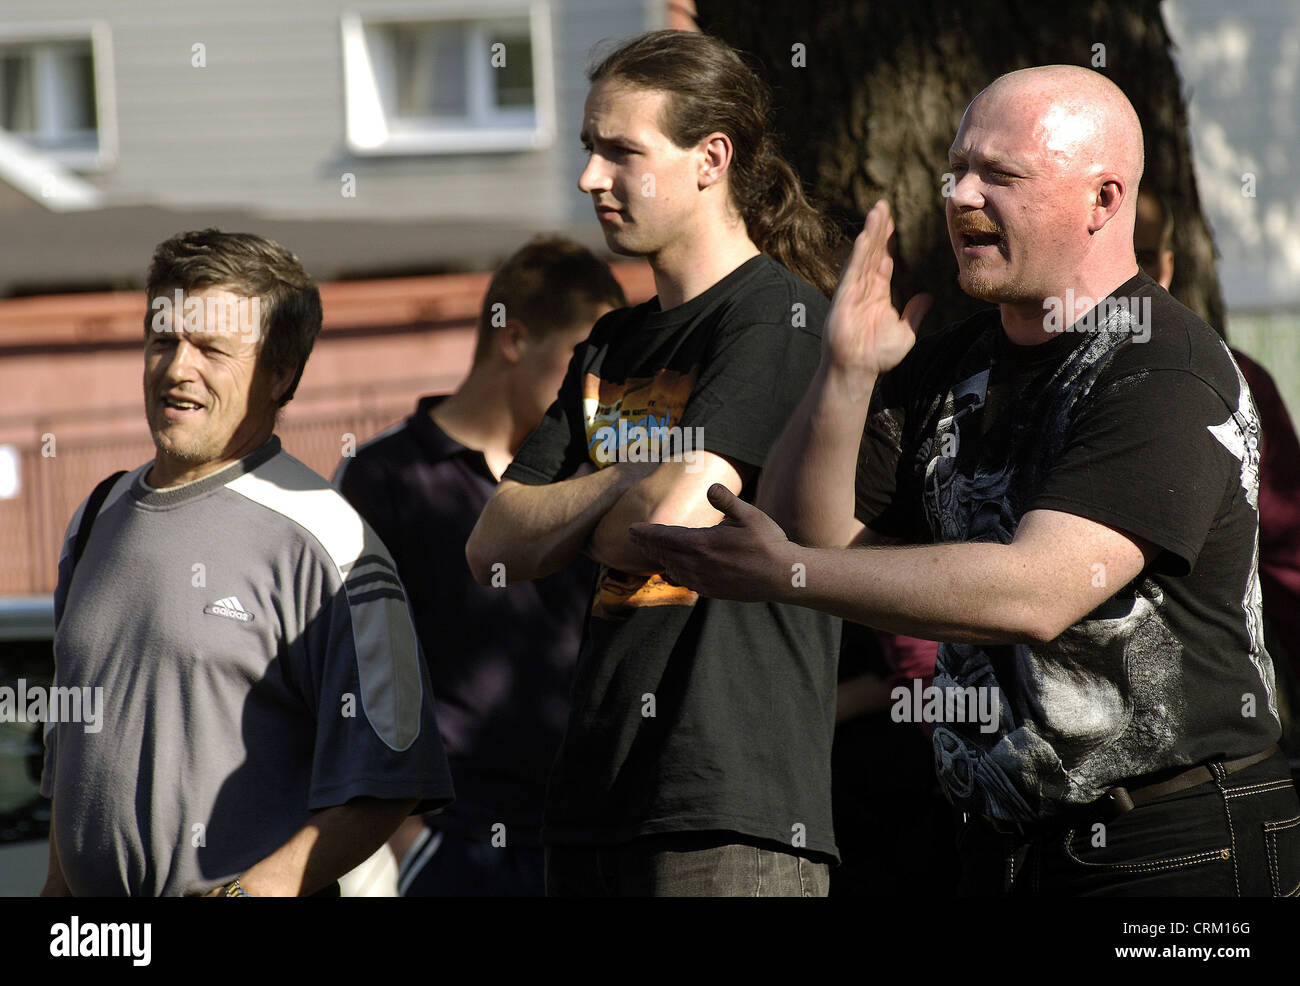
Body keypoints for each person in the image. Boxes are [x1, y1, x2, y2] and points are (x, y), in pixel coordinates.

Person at [631, 65, 1300, 896]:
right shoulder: (952, 363)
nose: (960, 196)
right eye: (957, 170)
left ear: (1104, 200)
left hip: (1173, 845)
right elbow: (826, 536)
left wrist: (786, 578)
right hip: (1001, 844)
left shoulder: (1163, 367)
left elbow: (1039, 591)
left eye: (1000, 175)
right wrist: (843, 372)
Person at [467, 29, 843, 897]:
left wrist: (570, 518)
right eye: (589, 149)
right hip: (593, 803)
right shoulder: (610, 340)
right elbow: (489, 544)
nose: (589, 178)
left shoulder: (775, 317)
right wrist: (641, 476)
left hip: (724, 812)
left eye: (620, 152)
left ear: (712, 158)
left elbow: (681, 528)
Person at [40, 229, 453, 897]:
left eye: (210, 349)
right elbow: (71, 756)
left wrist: (254, 893)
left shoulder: (330, 539)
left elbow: (391, 779)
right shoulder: (94, 519)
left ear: (280, 372)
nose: (177, 368)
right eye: (164, 339)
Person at [334, 236, 625, 896]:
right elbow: (348, 671)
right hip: (456, 846)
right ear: (513, 339)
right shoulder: (386, 477)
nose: (595, 394)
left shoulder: (591, 480)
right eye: (582, 363)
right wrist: (413, 844)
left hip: (586, 839)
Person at [1135, 188, 1300, 678]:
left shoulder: (1233, 382)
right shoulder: (1013, 384)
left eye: (1140, 258)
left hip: (1211, 708)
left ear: (1166, 267)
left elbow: (1287, 552)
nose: (1125, 275)